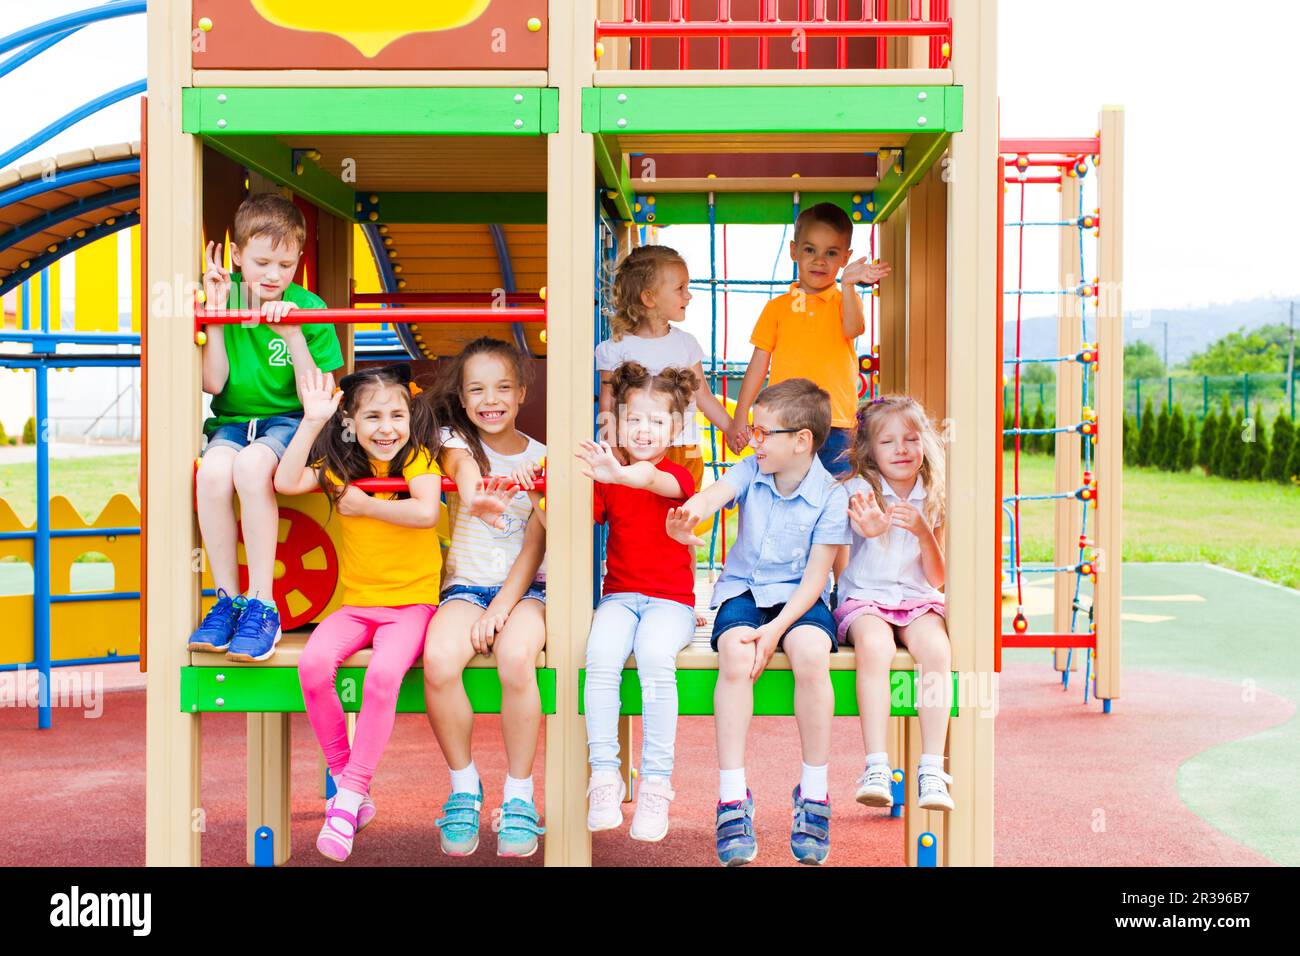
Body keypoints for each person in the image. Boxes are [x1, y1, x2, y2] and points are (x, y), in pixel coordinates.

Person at [666, 378, 850, 866]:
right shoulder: (751, 469)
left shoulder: (831, 496)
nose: (754, 440)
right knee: (734, 655)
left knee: (811, 654)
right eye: (754, 430)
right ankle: (731, 797)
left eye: (764, 432)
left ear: (802, 440)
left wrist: (777, 630)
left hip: (798, 599)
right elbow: (713, 495)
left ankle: (814, 794)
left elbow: (815, 580)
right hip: (744, 591)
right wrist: (689, 513)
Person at [274, 363, 444, 862]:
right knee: (311, 665)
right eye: (371, 416)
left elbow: (425, 513)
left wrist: (364, 505)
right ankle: (352, 787)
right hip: (359, 606)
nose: (386, 427)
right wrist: (311, 421)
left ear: (411, 417)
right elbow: (285, 481)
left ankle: (346, 798)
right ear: (349, 419)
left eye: (396, 415)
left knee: (383, 675)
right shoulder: (341, 469)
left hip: (412, 605)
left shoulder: (418, 460)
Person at [188, 193, 342, 662]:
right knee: (211, 474)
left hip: (286, 422)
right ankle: (228, 601)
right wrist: (216, 316)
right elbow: (213, 381)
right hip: (233, 421)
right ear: (236, 257)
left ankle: (263, 604)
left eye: (285, 265)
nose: (274, 276)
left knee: (254, 468)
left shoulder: (306, 307)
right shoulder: (223, 297)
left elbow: (316, 397)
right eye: (261, 263)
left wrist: (294, 335)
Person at [422, 338, 549, 858]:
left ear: (521, 393)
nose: (489, 398)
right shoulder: (456, 441)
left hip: (527, 592)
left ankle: (519, 793)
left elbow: (538, 544)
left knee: (518, 660)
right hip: (466, 588)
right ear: (463, 396)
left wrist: (502, 610)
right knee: (438, 661)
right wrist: (477, 496)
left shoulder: (544, 457)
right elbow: (462, 471)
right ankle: (464, 785)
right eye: (476, 389)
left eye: (501, 387)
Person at [581, 362, 699, 843]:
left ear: (674, 428)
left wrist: (619, 471)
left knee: (654, 657)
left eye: (656, 422)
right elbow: (574, 520)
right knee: (601, 657)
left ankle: (655, 783)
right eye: (633, 421)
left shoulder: (677, 474)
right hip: (621, 597)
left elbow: (653, 481)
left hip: (671, 603)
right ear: (616, 423)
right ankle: (604, 774)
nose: (644, 431)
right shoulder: (609, 476)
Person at [837, 395, 953, 813]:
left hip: (918, 600)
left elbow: (937, 578)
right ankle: (876, 765)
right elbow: (837, 557)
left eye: (910, 438)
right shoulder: (856, 490)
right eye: (888, 442)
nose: (901, 449)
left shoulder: (934, 493)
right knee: (875, 648)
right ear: (870, 449)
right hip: (866, 598)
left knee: (937, 650)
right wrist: (867, 531)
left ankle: (932, 768)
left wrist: (925, 532)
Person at [728, 202, 891, 476]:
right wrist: (740, 416)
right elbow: (758, 365)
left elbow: (853, 329)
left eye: (831, 253)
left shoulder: (844, 300)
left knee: (837, 497)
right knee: (782, 492)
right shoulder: (777, 308)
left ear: (845, 257)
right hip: (785, 423)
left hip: (835, 424)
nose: (820, 260)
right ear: (794, 251)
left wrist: (848, 285)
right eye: (809, 250)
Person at [596, 244, 735, 490]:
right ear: (649, 298)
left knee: (681, 515)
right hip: (634, 450)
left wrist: (730, 428)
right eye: (680, 288)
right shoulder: (616, 349)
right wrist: (614, 445)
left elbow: (703, 396)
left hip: (683, 448)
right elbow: (608, 404)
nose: (688, 295)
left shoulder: (685, 344)